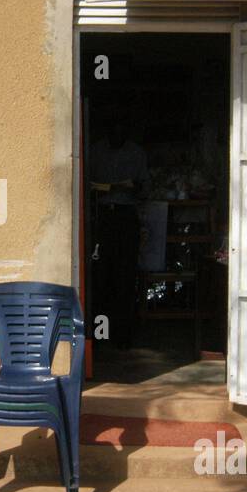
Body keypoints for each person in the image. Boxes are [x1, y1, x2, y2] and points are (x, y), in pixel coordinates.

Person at [88, 118, 150, 350]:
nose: (117, 134)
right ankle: (100, 337)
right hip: (101, 216)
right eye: (113, 131)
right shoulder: (95, 152)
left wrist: (132, 188)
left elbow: (145, 187)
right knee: (101, 276)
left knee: (125, 276)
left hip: (126, 216)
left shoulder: (136, 153)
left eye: (121, 131)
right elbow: (84, 182)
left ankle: (123, 336)